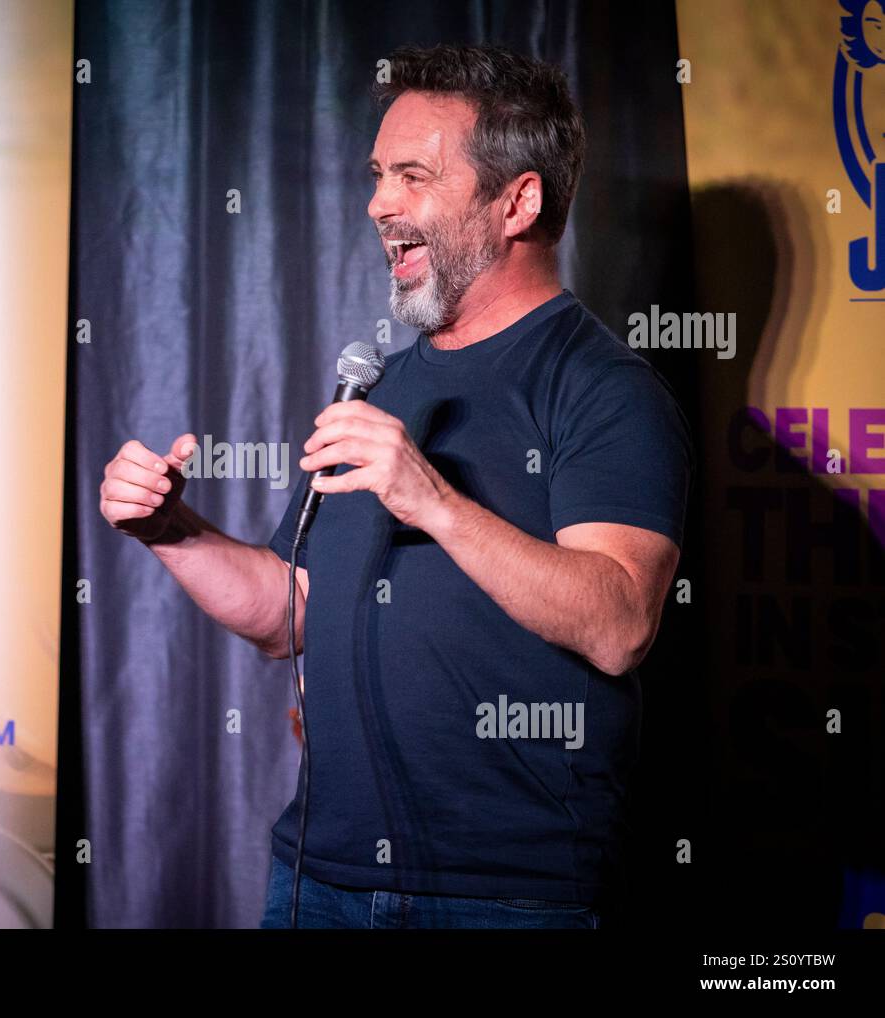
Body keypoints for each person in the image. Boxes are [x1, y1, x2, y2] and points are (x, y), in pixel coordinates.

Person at [98, 43, 693, 929]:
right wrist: (170, 528)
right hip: (318, 880)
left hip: (508, 897)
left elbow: (618, 625)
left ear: (517, 202)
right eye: (378, 175)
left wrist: (433, 502)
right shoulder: (379, 387)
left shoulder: (602, 388)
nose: (379, 203)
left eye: (413, 176)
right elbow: (287, 614)